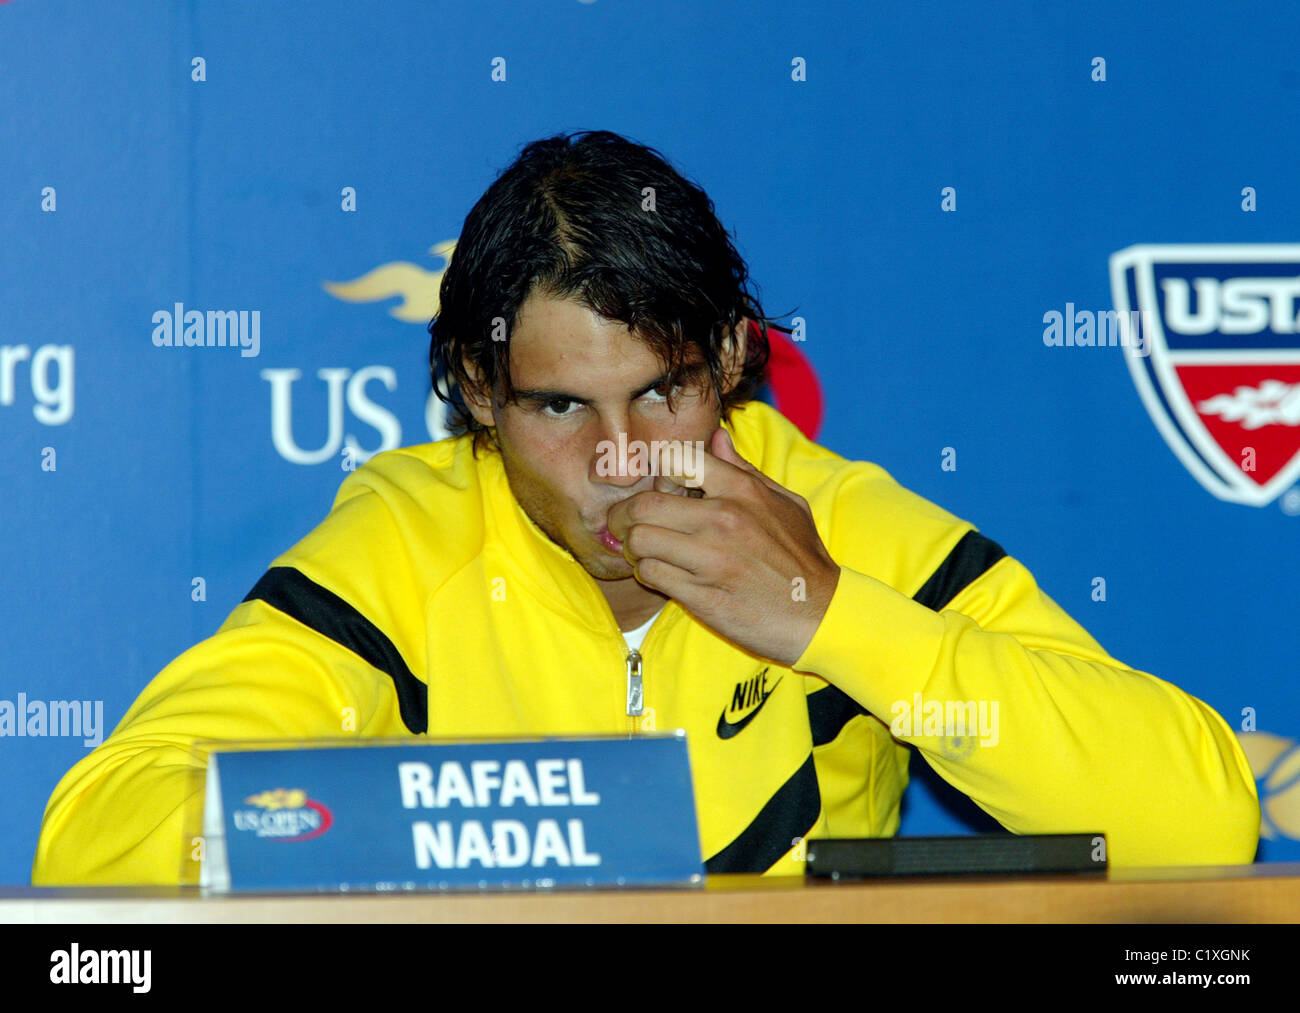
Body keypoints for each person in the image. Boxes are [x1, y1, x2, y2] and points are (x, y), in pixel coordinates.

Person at [33, 130, 1259, 885]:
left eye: (660, 393)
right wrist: (472, 827)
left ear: (730, 354)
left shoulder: (837, 522)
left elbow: (1196, 817)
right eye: (561, 409)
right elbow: (92, 836)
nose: (622, 459)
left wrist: (830, 615)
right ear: (477, 389)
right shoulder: (406, 542)